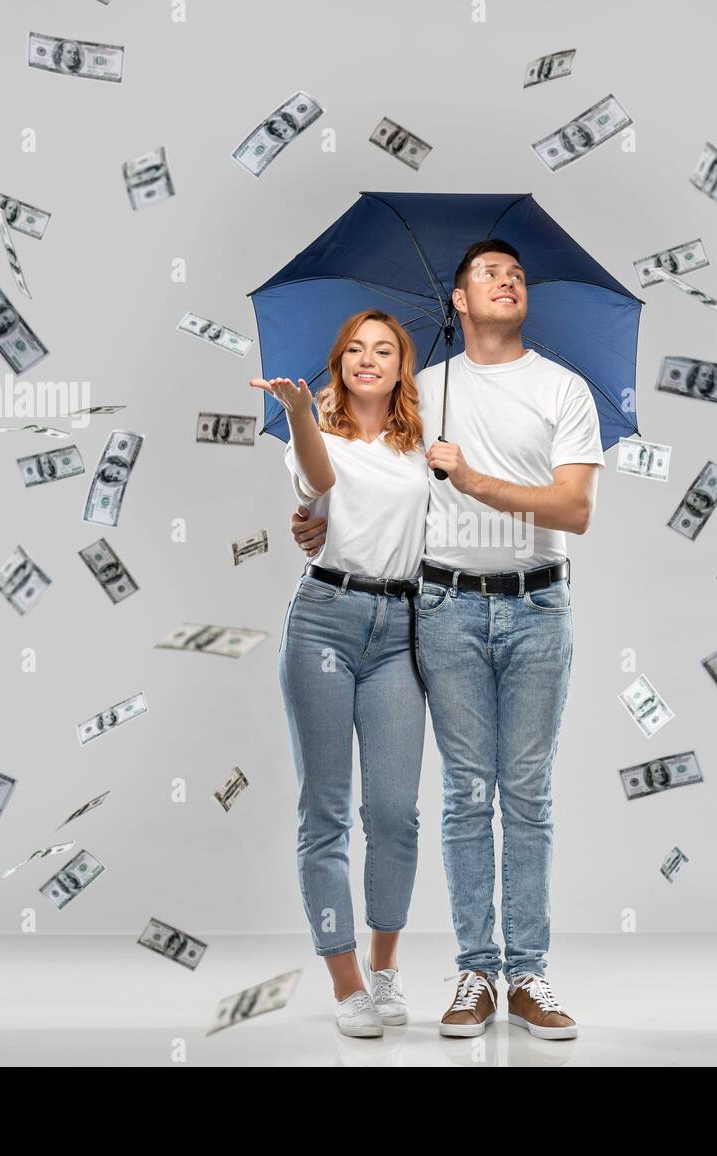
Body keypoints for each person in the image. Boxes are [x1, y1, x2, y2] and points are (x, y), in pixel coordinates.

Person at [291, 241, 602, 1040]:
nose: (508, 280)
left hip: (539, 604)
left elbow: (573, 511)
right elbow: (364, 485)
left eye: (517, 275)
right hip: (445, 609)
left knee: (526, 793)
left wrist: (472, 481)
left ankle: (526, 974)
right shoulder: (422, 394)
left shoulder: (564, 390)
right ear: (458, 302)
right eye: (490, 274)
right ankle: (474, 975)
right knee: (466, 794)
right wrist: (316, 523)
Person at [256, 310, 429, 1039]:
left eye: (383, 350)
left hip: (401, 630)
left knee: (394, 814)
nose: (368, 359)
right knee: (324, 811)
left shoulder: (422, 445)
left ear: (400, 367)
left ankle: (386, 968)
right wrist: (299, 413)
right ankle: (346, 979)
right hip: (325, 618)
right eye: (355, 348)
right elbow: (318, 480)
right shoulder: (313, 435)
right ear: (338, 361)